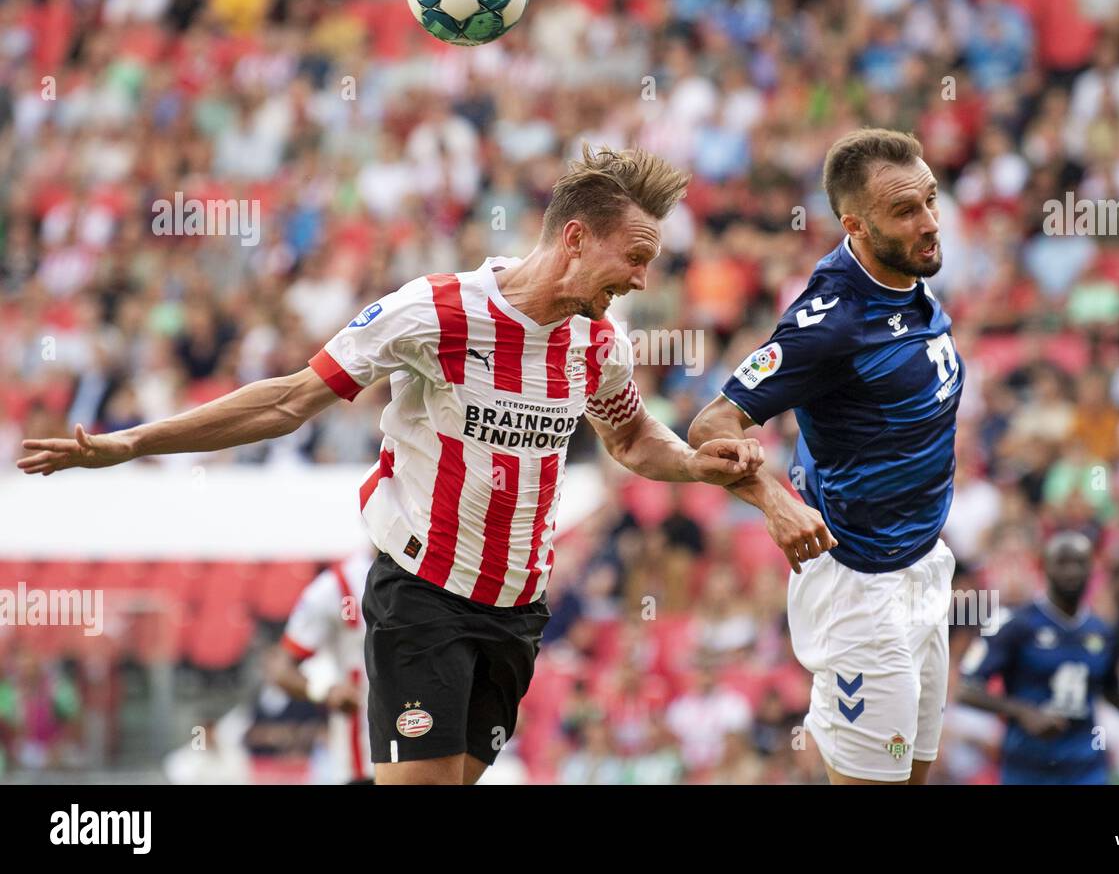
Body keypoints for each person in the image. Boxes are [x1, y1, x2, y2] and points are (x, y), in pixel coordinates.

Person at [17, 144, 764, 786]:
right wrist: (133, 442)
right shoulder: (435, 312)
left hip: (517, 611)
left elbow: (631, 440)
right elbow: (289, 401)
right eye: (633, 257)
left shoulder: (599, 346)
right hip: (425, 593)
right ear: (576, 237)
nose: (640, 279)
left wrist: (697, 463)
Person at [690, 128, 960, 784]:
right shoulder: (831, 321)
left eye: (930, 199)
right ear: (856, 226)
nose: (929, 222)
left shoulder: (909, 277)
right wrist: (774, 500)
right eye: (905, 211)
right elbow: (710, 424)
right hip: (860, 588)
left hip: (924, 566)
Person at [957, 531, 1119, 784]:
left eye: (1079, 563)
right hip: (1027, 769)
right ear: (1044, 567)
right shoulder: (1015, 624)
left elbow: (1115, 693)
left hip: (1085, 769)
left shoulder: (1102, 632)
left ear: (1091, 569)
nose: (1071, 571)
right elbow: (967, 690)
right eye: (1063, 562)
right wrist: (1022, 712)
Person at [268, 548, 376, 784]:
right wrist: (325, 690)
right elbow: (282, 667)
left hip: (433, 748)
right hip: (365, 759)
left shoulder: (439, 577)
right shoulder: (338, 584)